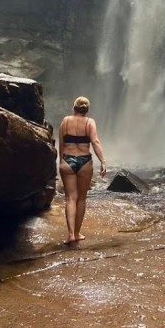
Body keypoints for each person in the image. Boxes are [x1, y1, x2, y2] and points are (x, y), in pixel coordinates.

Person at [58, 95, 106, 245]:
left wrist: (61, 161)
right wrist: (103, 161)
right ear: (87, 110)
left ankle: (70, 234)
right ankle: (78, 233)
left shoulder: (65, 121)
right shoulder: (89, 122)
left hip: (68, 160)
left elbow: (61, 144)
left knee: (70, 198)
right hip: (85, 161)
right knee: (81, 199)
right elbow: (95, 141)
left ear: (74, 108)